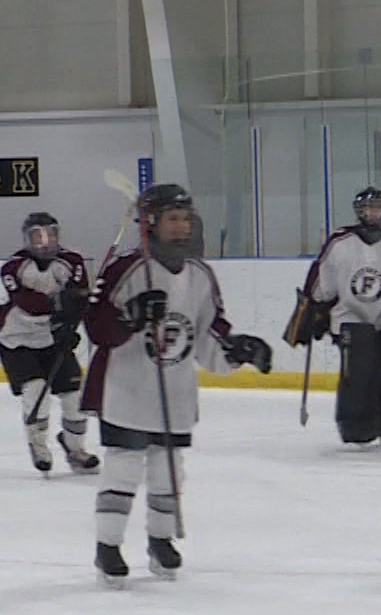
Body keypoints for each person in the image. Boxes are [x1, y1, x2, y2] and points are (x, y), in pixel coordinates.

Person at [81, 184, 273, 584]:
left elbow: (209, 337)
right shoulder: (125, 268)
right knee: (123, 468)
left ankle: (161, 540)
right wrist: (130, 317)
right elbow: (98, 328)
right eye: (173, 219)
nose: (182, 227)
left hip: (176, 391)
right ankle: (108, 546)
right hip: (127, 390)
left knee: (169, 471)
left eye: (186, 219)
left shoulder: (201, 274)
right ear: (151, 223)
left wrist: (237, 350)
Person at [282, 186, 381, 446]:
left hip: (380, 317)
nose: (372, 213)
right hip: (346, 317)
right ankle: (355, 423)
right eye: (367, 208)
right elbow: (320, 280)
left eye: (377, 208)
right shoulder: (340, 242)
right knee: (360, 365)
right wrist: (310, 313)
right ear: (358, 212)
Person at [0, 212, 100, 476]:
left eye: (50, 234)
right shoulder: (13, 267)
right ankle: (38, 443)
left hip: (54, 340)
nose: (45, 241)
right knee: (35, 392)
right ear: (27, 239)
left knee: (75, 397)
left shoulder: (72, 262)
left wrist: (70, 325)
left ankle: (75, 448)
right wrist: (60, 302)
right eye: (37, 235)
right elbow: (28, 304)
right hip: (17, 340)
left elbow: (80, 301)